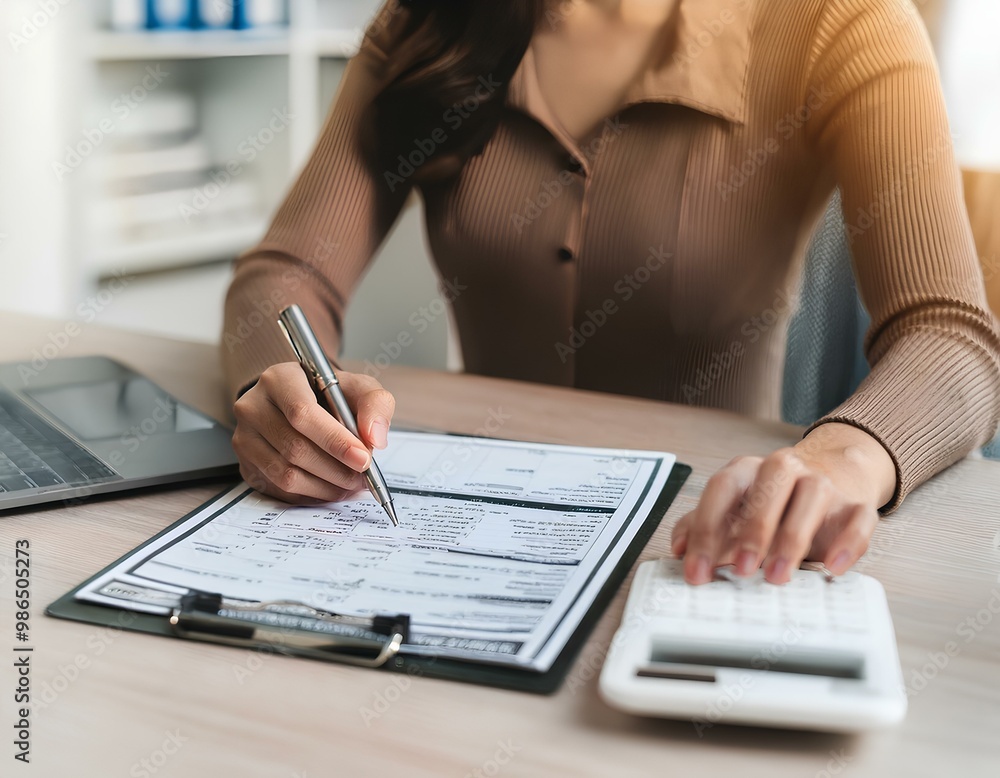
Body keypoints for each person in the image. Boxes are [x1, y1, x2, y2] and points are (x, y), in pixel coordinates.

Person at [223, 0, 1000, 585]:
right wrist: (276, 389)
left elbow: (952, 338)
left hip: (713, 543)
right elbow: (284, 275)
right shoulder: (426, 19)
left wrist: (840, 462)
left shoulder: (835, 18)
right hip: (464, 541)